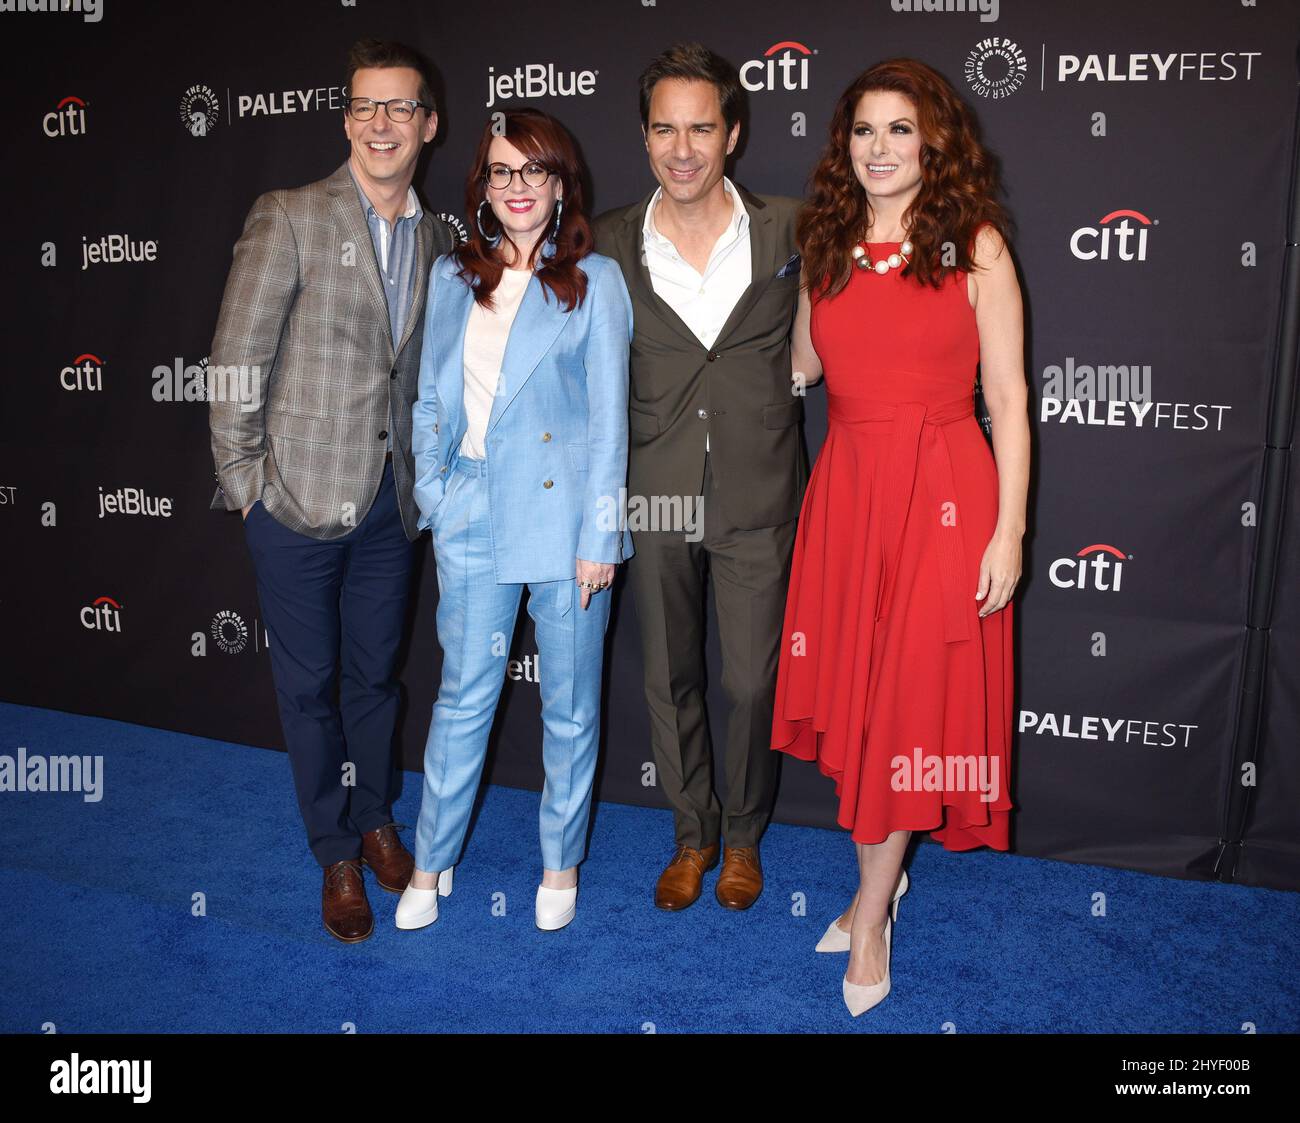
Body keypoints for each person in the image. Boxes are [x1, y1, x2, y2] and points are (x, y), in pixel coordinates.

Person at [771, 58, 1028, 1014]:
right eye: (864, 131)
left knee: (910, 710)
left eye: (900, 131)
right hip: (849, 491)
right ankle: (880, 881)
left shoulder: (976, 246)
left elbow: (1008, 400)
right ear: (846, 145)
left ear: (934, 143)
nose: (880, 148)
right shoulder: (826, 238)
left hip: (945, 495)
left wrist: (1008, 533)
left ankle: (873, 913)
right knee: (864, 702)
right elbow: (805, 364)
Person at [208, 39, 455, 943]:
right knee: (308, 688)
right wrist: (244, 486)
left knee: (374, 680)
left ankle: (378, 815)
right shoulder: (291, 215)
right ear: (347, 117)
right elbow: (236, 358)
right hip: (297, 503)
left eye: (398, 108)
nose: (380, 124)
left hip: (393, 507)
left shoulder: (438, 237)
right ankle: (336, 850)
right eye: (364, 107)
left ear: (429, 123)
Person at [395, 107, 633, 934]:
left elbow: (608, 422)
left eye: (535, 171)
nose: (518, 187)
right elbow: (428, 397)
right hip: (472, 512)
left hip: (567, 529)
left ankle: (560, 862)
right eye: (502, 172)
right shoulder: (453, 278)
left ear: (561, 184)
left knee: (570, 705)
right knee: (463, 695)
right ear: (482, 187)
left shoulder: (596, 283)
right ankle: (432, 859)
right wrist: (436, 492)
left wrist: (601, 536)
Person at [594, 43, 804, 912]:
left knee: (751, 682)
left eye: (701, 128)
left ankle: (745, 835)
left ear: (733, 132)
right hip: (655, 487)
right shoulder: (605, 242)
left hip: (760, 490)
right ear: (645, 139)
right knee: (668, 674)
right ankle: (692, 834)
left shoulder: (793, 226)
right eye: (664, 129)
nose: (682, 149)